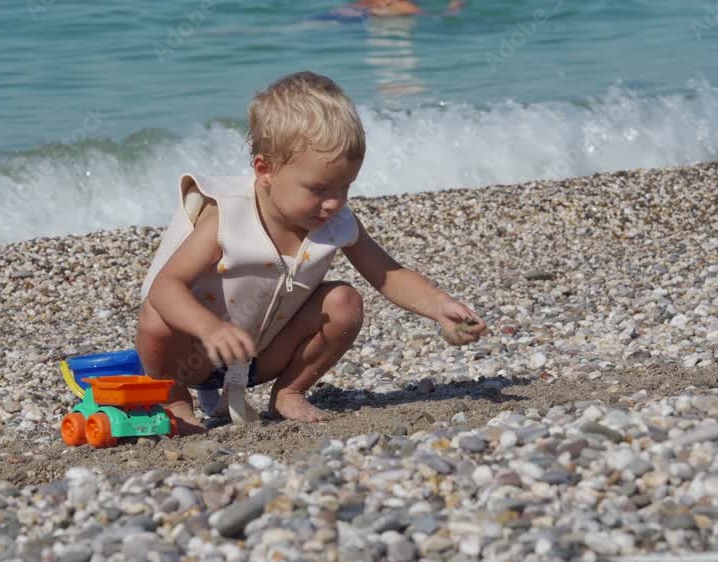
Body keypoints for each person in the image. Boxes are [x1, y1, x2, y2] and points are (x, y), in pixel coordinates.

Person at [136, 71, 486, 434]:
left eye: (344, 187)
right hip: (194, 353)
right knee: (156, 315)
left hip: (263, 354)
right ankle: (174, 399)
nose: (334, 202)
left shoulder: (335, 222)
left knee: (344, 301)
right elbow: (166, 286)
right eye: (318, 189)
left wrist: (439, 305)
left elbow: (388, 274)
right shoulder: (226, 216)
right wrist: (209, 328)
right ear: (265, 169)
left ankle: (289, 389)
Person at [330, 0, 465, 18]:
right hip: (357, 18)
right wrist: (455, 5)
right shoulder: (403, 5)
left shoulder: (365, 1)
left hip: (341, 14)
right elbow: (441, 17)